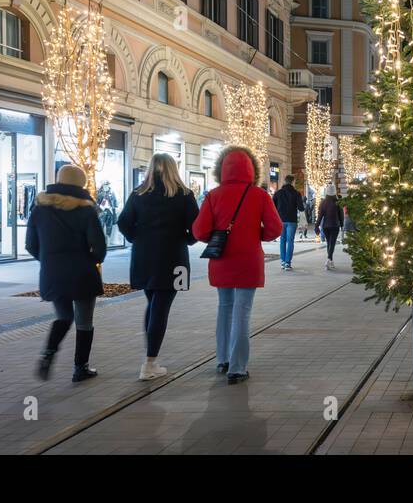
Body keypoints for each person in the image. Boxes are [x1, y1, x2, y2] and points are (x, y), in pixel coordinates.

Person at [192, 146, 283, 384]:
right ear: (252, 169)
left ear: (221, 169)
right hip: (248, 260)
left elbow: (199, 231)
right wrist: (256, 235)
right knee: (242, 312)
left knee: (224, 308)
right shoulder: (259, 195)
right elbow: (276, 228)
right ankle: (238, 367)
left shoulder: (213, 195)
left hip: (221, 259)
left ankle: (222, 359)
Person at [117, 153, 199, 381]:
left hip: (144, 257)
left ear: (151, 169)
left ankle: (150, 359)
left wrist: (139, 239)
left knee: (153, 303)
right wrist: (185, 239)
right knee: (161, 307)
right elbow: (196, 229)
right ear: (174, 169)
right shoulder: (184, 194)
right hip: (175, 257)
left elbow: (123, 222)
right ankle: (149, 362)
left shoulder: (138, 194)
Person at [26, 165, 107, 382]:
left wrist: (48, 261)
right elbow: (99, 246)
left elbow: (30, 245)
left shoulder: (39, 209)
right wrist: (93, 260)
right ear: (80, 184)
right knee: (84, 322)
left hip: (52, 273)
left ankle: (48, 353)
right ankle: (81, 368)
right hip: (82, 273)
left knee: (64, 316)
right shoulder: (86, 210)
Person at [273, 174, 305, 271]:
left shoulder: (278, 193)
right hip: (291, 220)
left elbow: (272, 206)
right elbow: (301, 208)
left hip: (280, 220)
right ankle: (287, 263)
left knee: (282, 240)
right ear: (292, 182)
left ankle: (282, 261)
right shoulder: (296, 193)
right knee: (290, 241)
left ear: (285, 181)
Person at [317, 184, 345, 271]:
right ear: (334, 192)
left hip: (325, 226)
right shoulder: (338, 202)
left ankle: (331, 261)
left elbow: (320, 215)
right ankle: (329, 259)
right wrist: (341, 224)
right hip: (335, 225)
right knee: (332, 243)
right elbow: (341, 215)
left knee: (329, 243)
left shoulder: (323, 202)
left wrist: (316, 225)